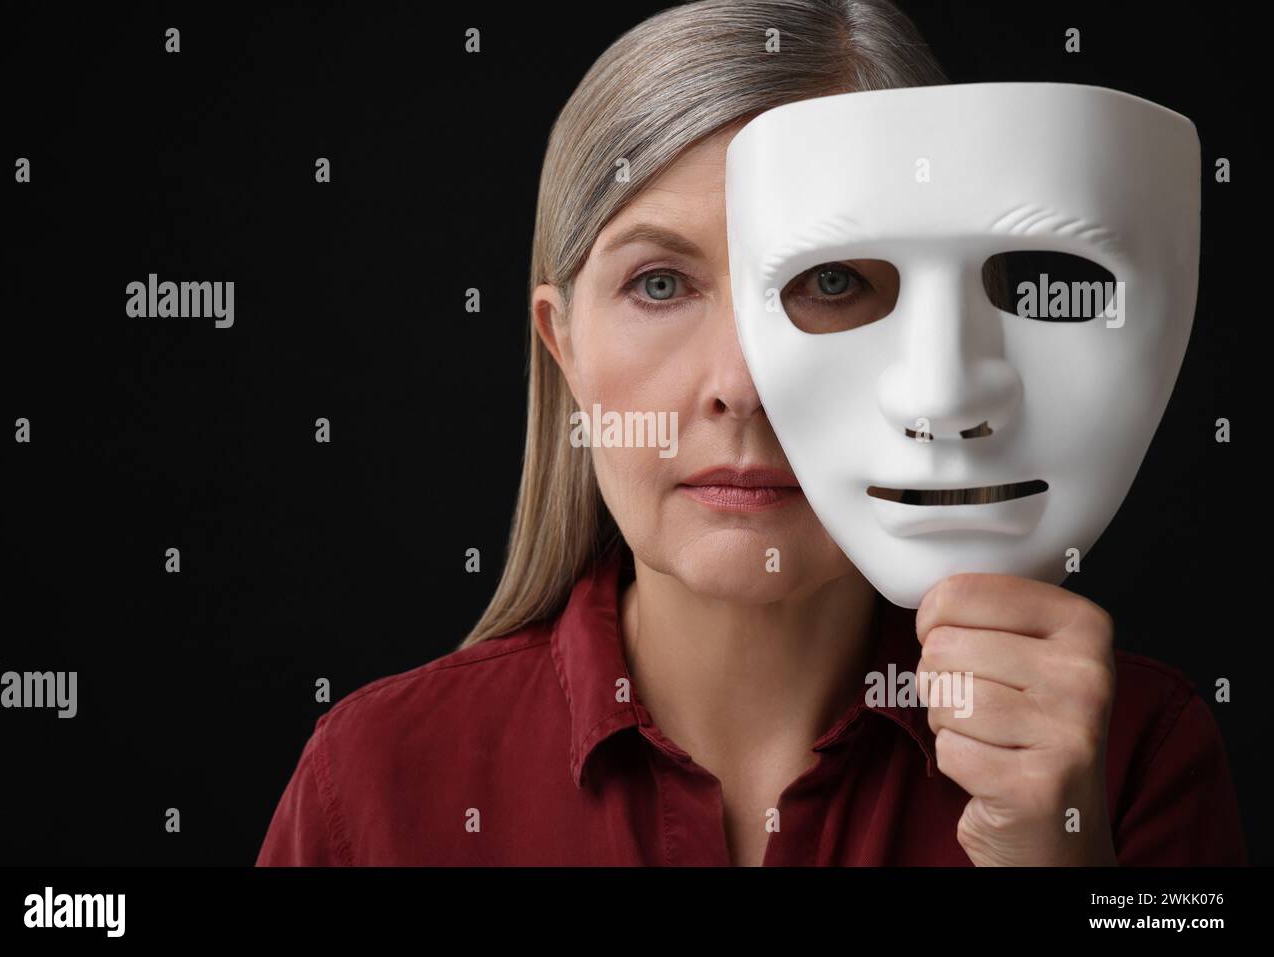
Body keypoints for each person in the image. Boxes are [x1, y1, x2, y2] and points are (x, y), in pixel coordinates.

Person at [256, 0, 1246, 866]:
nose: (739, 387)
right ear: (564, 345)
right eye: (658, 283)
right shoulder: (377, 783)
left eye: (831, 282)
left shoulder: (1130, 757)